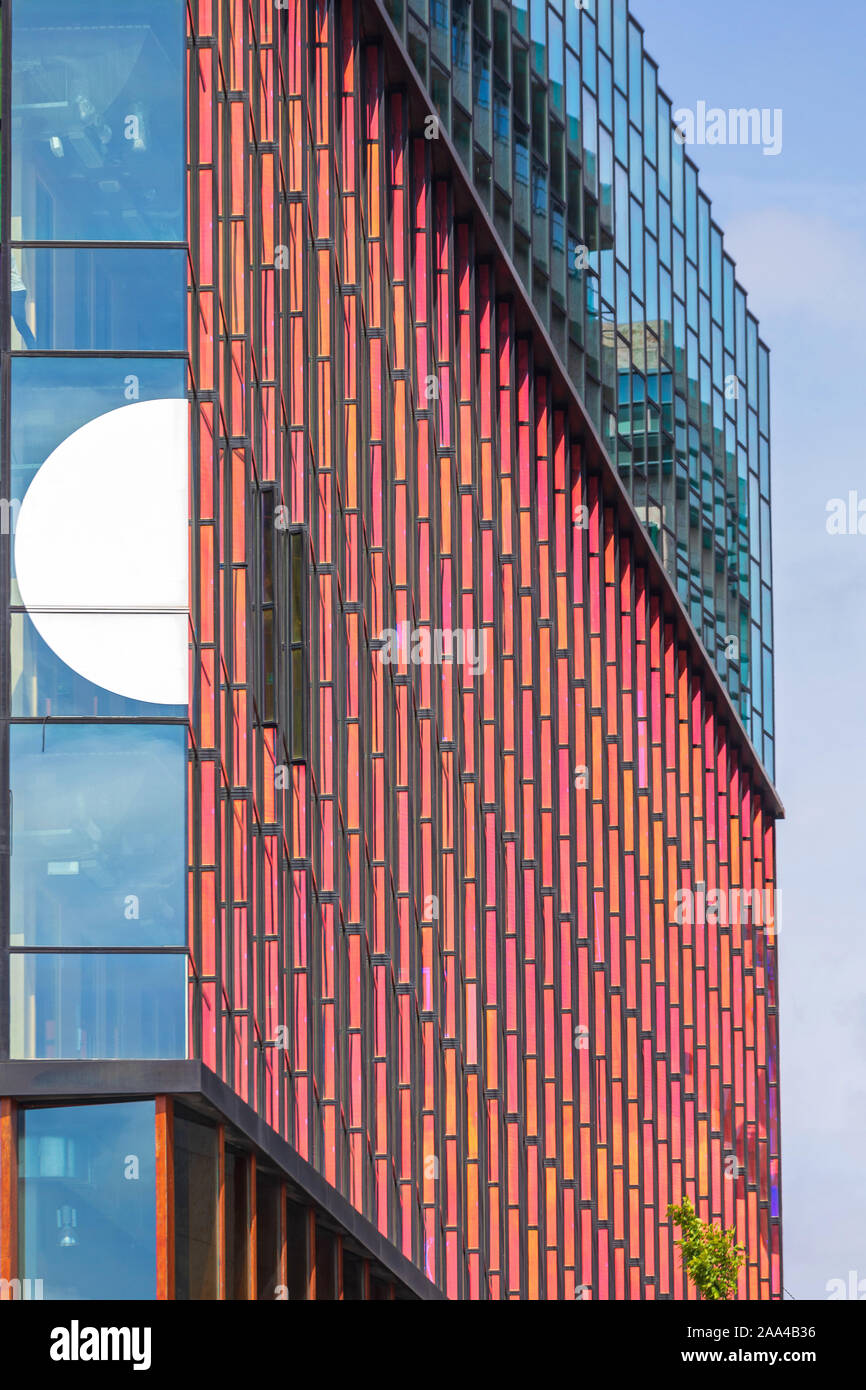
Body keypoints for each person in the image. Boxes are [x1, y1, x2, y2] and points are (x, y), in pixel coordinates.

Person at [11, 252, 36, 349]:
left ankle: (33, 348)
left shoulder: (5, 250)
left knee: (19, 320)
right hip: (7, 290)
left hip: (15, 290)